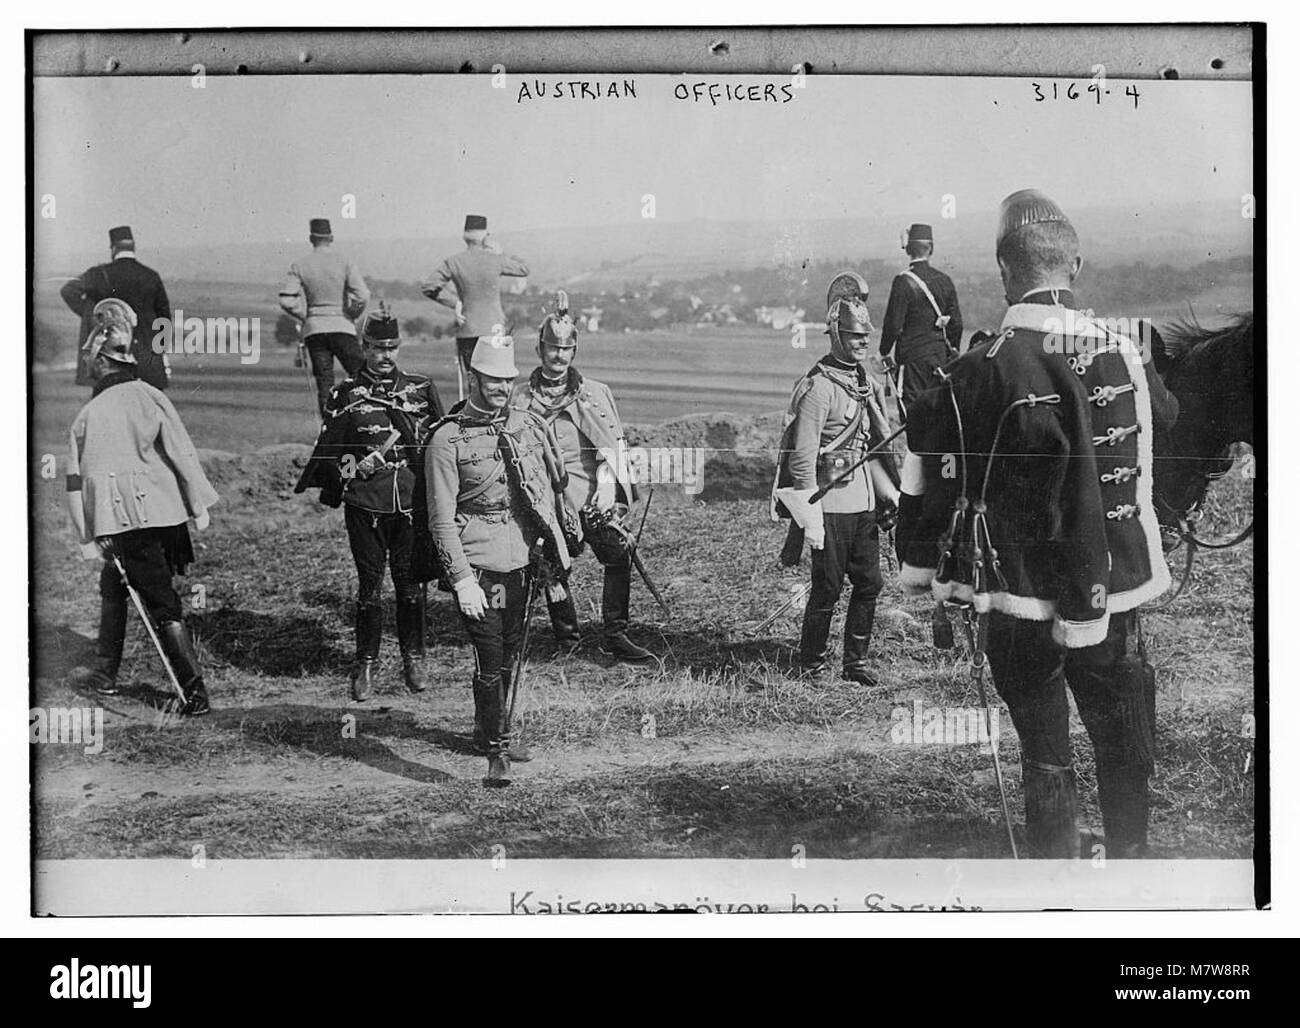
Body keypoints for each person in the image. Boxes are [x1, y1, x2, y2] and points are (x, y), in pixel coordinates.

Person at [897, 189, 1181, 858]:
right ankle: (1130, 869)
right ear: (1074, 266)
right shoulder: (1127, 351)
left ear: (1003, 272)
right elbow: (1165, 420)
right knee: (1121, 740)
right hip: (1115, 591)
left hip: (1017, 599)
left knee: (1046, 756)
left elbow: (928, 470)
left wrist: (918, 565)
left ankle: (1054, 890)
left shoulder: (978, 367)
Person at [427, 334, 573, 781]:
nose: (500, 388)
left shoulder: (526, 427)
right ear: (473, 377)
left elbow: (545, 490)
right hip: (479, 564)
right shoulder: (446, 440)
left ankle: (490, 730)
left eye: (507, 380)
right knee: (488, 658)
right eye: (491, 379)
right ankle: (495, 752)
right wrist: (461, 580)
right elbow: (441, 519)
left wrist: (550, 555)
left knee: (511, 654)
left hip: (521, 560)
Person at [65, 317, 219, 714]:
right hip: (163, 515)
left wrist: (88, 534)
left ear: (101, 362)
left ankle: (193, 690)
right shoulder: (150, 394)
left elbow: (80, 482)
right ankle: (105, 674)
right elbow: (180, 450)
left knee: (158, 599)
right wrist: (196, 503)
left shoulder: (88, 415)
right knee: (114, 588)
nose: (90, 368)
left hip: (125, 522)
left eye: (92, 361)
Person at [294, 303, 444, 700]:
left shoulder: (420, 389)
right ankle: (366, 663)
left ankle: (414, 657)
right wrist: (355, 467)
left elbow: (439, 447)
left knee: (410, 586)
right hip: (365, 506)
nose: (385, 355)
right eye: (377, 347)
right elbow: (330, 453)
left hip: (410, 503)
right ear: (363, 346)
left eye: (392, 347)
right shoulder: (345, 394)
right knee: (369, 588)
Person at [509, 295, 654, 662]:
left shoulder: (595, 393)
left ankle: (614, 634)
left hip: (592, 497)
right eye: (552, 348)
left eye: (566, 349)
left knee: (619, 554)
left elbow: (612, 444)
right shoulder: (519, 399)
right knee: (551, 569)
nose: (558, 356)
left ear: (574, 351)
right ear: (539, 348)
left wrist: (607, 486)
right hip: (546, 501)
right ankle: (567, 638)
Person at [773, 297, 900, 686]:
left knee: (870, 583)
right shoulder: (818, 387)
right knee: (827, 587)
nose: (862, 342)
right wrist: (809, 517)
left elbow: (873, 447)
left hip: (861, 500)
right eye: (854, 336)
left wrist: (887, 494)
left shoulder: (866, 383)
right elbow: (802, 455)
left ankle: (855, 663)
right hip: (829, 504)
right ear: (836, 336)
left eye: (866, 336)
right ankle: (812, 663)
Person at [422, 215, 529, 397]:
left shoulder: (453, 261)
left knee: (474, 384)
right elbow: (523, 269)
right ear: (486, 235)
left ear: (465, 236)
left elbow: (429, 286)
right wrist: (499, 253)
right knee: (498, 379)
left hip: (467, 329)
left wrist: (456, 303)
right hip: (494, 329)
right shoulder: (495, 259)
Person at [278, 218, 372, 418]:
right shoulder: (345, 261)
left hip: (315, 330)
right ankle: (366, 422)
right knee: (362, 377)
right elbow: (363, 295)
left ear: (311, 238)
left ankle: (330, 431)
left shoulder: (300, 265)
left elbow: (287, 299)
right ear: (331, 237)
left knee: (325, 383)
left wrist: (306, 316)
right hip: (343, 327)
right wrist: (351, 314)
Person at [61, 225, 172, 391]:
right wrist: (161, 354)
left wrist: (95, 315)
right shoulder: (151, 276)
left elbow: (68, 290)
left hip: (111, 361)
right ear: (133, 247)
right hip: (147, 362)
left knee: (107, 411)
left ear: (113, 249)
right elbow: (164, 320)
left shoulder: (98, 274)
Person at [879, 223, 963, 420]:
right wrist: (951, 352)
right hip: (940, 358)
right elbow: (957, 324)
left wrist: (883, 351)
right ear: (931, 248)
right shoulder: (945, 280)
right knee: (939, 414)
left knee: (913, 415)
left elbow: (893, 324)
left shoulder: (902, 282)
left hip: (912, 360)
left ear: (908, 249)